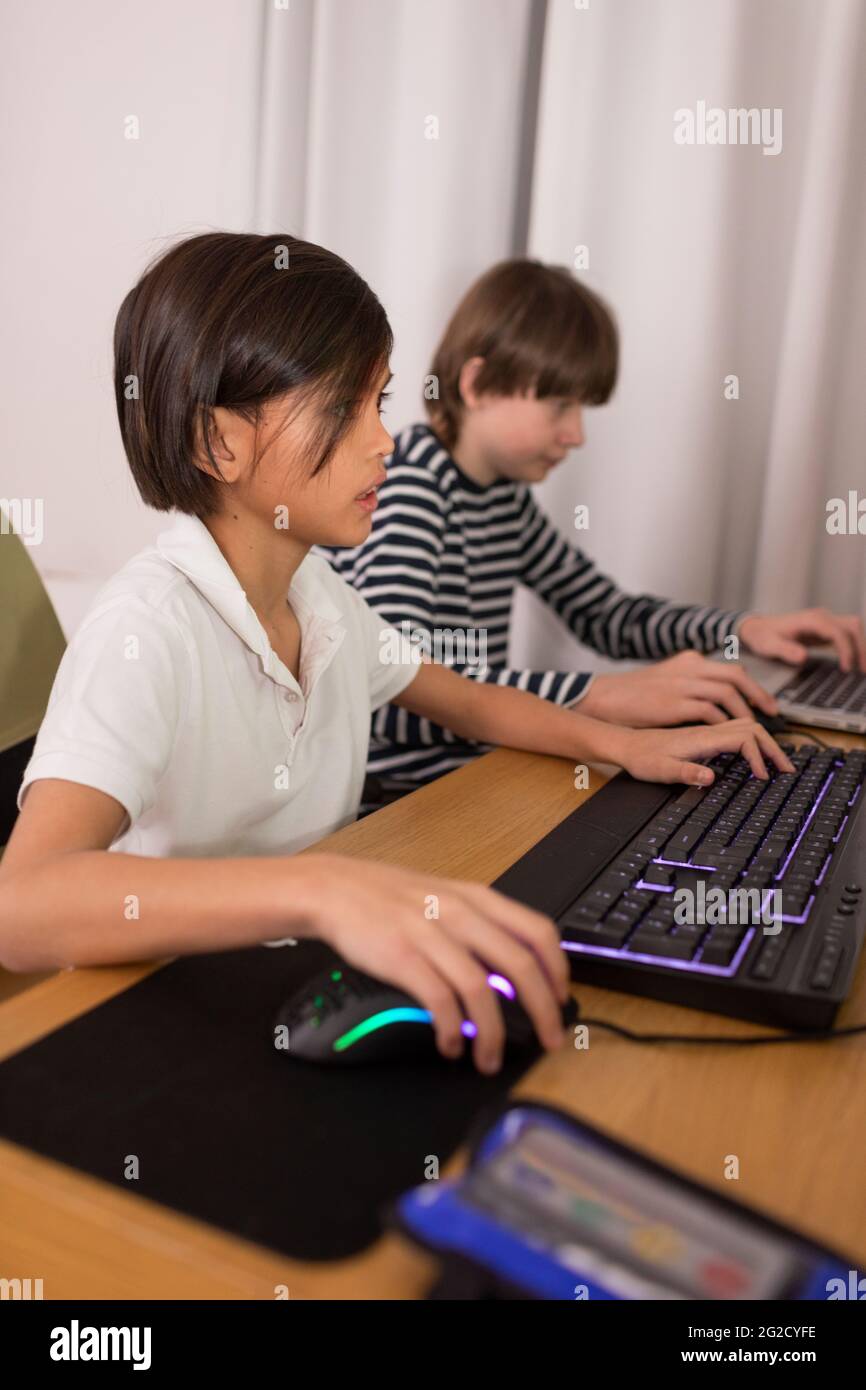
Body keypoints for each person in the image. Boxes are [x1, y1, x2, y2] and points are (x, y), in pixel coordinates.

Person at [0, 234, 793, 1074]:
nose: (385, 440)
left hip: (295, 968)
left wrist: (622, 746)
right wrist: (322, 889)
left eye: (380, 401)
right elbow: (21, 905)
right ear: (220, 442)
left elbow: (468, 700)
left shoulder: (321, 599)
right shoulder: (146, 628)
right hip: (166, 1006)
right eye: (349, 409)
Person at [324, 259, 866, 798]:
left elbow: (606, 615)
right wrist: (600, 694)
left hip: (475, 773)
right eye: (560, 405)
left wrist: (743, 629)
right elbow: (396, 698)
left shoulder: (501, 497)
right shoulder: (413, 487)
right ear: (478, 384)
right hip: (401, 798)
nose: (576, 434)